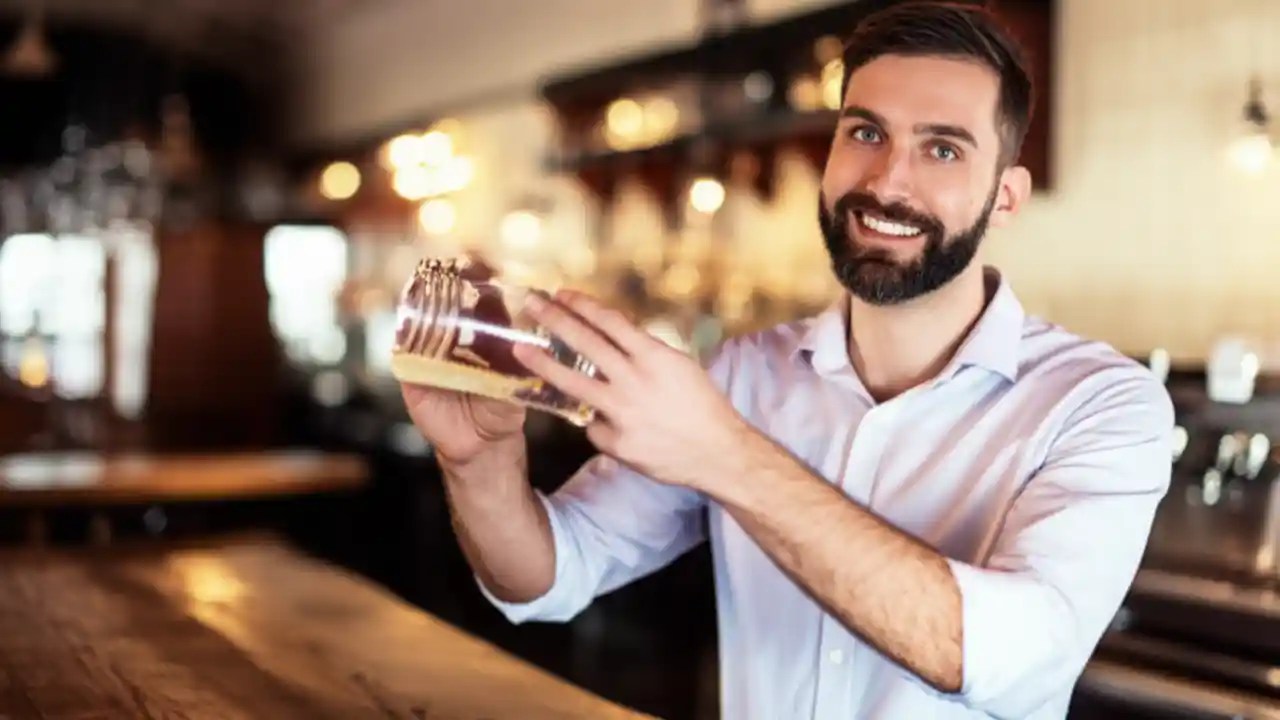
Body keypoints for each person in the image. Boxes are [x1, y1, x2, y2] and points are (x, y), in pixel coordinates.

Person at [400, 2, 1174, 718]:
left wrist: (724, 455)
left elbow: (1017, 659)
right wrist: (483, 460)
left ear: (1006, 197)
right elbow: (545, 578)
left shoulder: (1103, 402)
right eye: (865, 133)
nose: (886, 180)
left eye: (941, 148)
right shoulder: (744, 373)